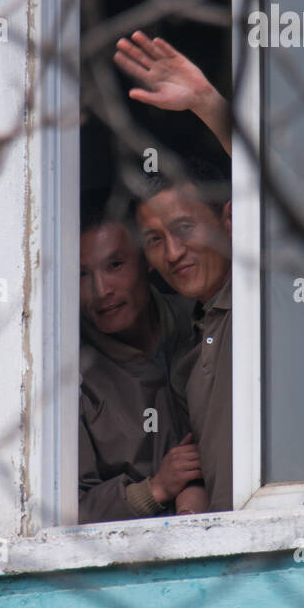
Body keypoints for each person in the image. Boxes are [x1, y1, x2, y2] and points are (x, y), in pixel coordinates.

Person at [113, 33, 234, 511]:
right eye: (155, 240)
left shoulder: (274, 301)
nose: (175, 252)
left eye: (185, 227)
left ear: (227, 220)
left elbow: (282, 185)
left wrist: (206, 102)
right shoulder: (186, 355)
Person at [78, 196, 208, 522]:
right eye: (81, 275)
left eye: (115, 266)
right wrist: (155, 489)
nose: (101, 289)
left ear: (147, 259)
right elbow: (60, 515)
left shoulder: (201, 321)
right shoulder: (69, 374)